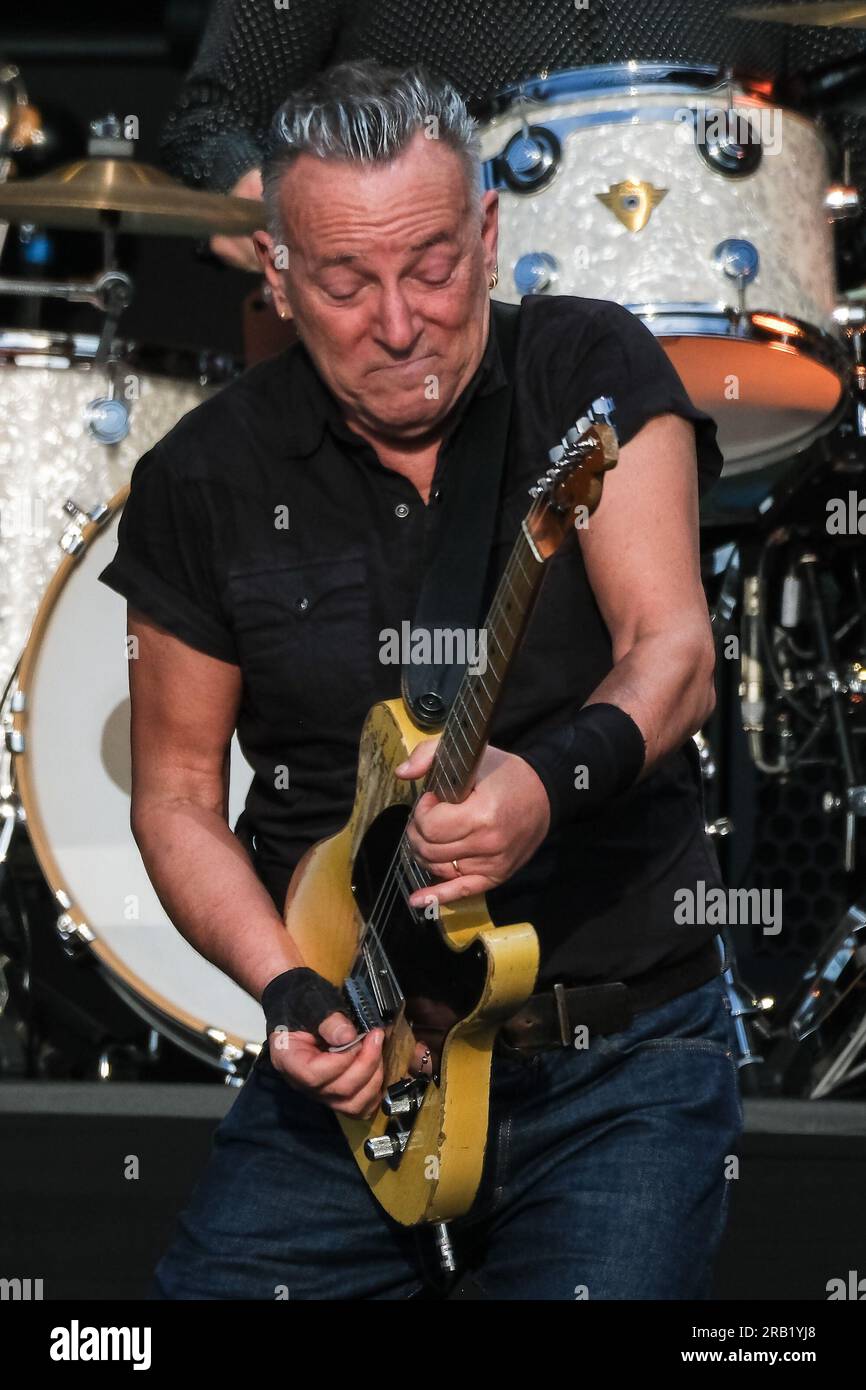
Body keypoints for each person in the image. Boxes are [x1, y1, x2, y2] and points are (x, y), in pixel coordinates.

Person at [101, 61, 742, 1300]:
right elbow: (174, 794)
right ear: (275, 272)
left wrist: (543, 789)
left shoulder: (582, 369)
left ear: (489, 232)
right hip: (360, 1061)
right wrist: (291, 994)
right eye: (343, 284)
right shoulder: (204, 477)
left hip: (609, 1064)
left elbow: (674, 655)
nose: (399, 323)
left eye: (435, 266)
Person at [160, 0, 866, 284]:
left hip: (752, 349)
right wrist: (261, 202)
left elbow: (851, 115)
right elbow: (213, 120)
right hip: (445, 380)